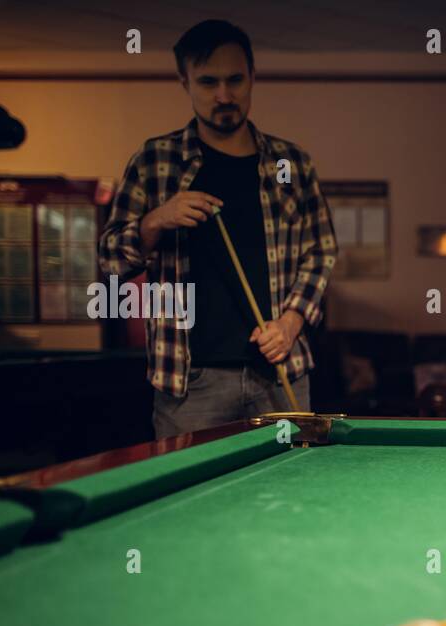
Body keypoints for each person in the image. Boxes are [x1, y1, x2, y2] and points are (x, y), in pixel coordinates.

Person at [99, 19, 337, 438]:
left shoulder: (290, 164)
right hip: (190, 381)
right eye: (208, 82)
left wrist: (291, 323)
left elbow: (321, 251)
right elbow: (111, 260)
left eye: (235, 80)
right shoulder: (156, 161)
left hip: (279, 372)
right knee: (187, 494)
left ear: (252, 77)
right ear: (184, 81)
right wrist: (157, 219)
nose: (224, 96)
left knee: (291, 495)